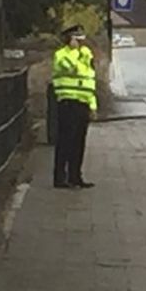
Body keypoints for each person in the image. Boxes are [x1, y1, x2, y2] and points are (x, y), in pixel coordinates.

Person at [51, 25, 97, 189]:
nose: (80, 42)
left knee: (79, 142)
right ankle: (60, 178)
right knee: (65, 141)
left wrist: (92, 106)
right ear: (69, 39)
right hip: (68, 102)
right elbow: (70, 68)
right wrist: (75, 52)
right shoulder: (61, 55)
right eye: (76, 38)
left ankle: (76, 176)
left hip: (83, 103)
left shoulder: (86, 54)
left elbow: (90, 81)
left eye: (81, 39)